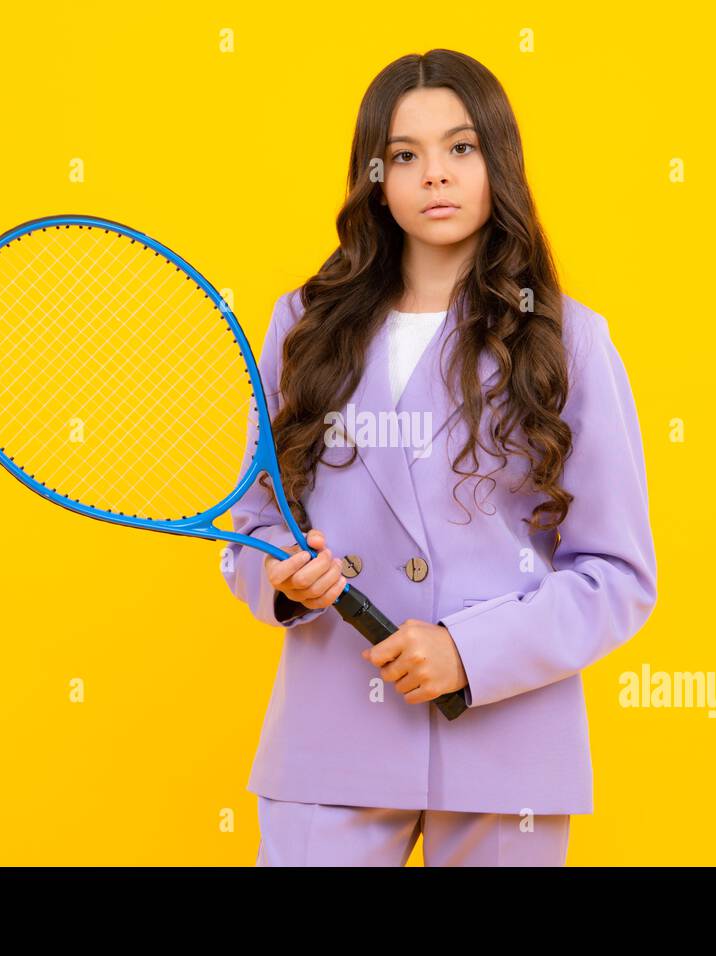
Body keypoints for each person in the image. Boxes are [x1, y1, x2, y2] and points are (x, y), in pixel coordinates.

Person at [221, 49, 658, 866]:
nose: (435, 176)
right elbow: (251, 526)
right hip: (331, 743)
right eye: (404, 155)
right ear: (374, 179)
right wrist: (284, 582)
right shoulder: (301, 326)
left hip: (510, 748)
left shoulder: (569, 340)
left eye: (461, 149)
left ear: (499, 162)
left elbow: (618, 577)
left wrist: (470, 651)